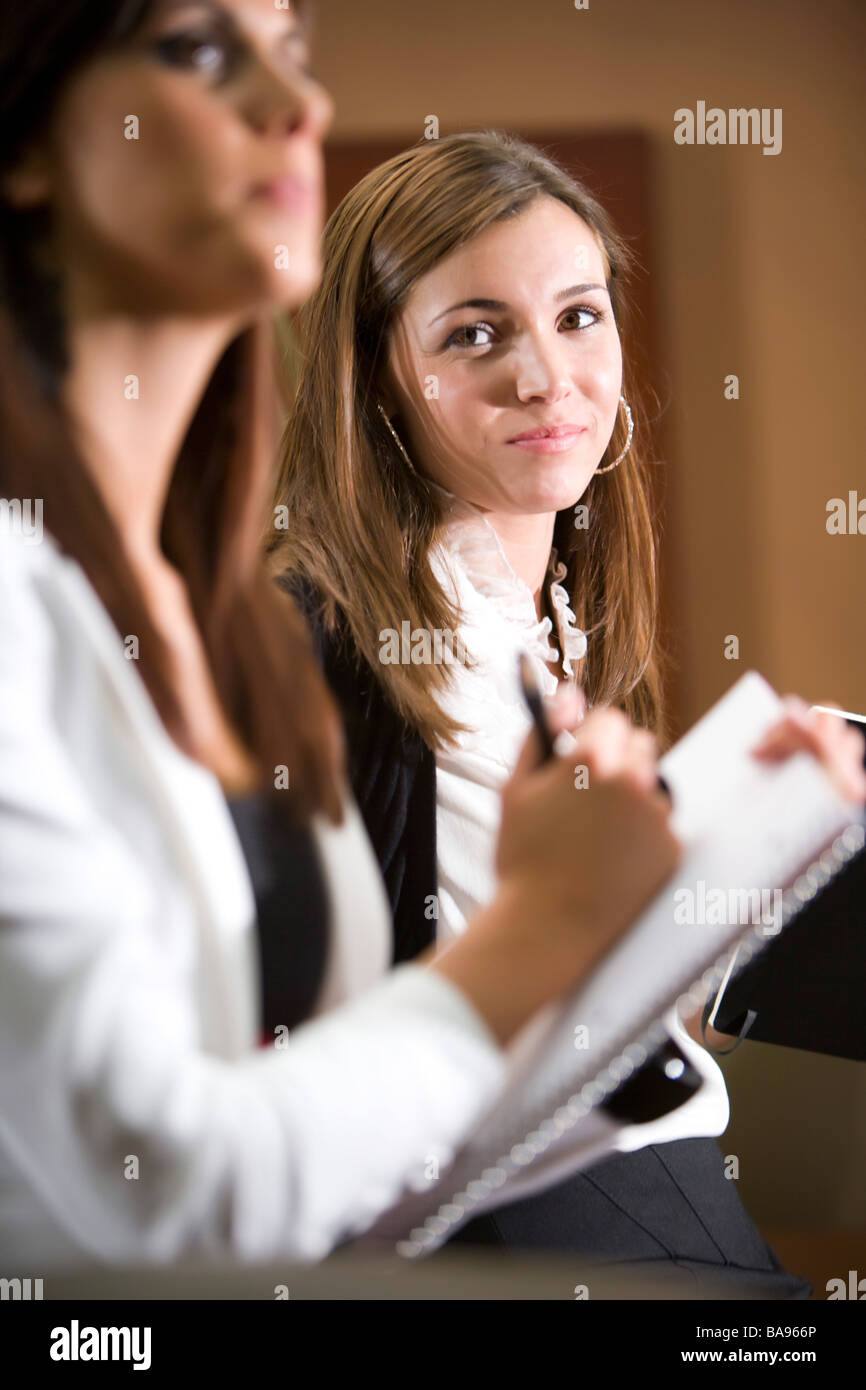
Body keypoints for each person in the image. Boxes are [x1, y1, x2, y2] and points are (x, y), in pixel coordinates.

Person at [0, 2, 688, 1268]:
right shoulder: (48, 606)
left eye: (297, 52)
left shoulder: (184, 608)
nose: (299, 106)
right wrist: (554, 925)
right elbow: (165, 1199)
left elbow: (304, 1129)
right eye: (201, 52)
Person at [271, 131, 866, 1287]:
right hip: (522, 1221)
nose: (548, 379)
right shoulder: (320, 632)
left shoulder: (550, 629)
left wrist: (749, 886)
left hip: (650, 1177)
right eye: (475, 333)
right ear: (377, 377)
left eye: (578, 315)